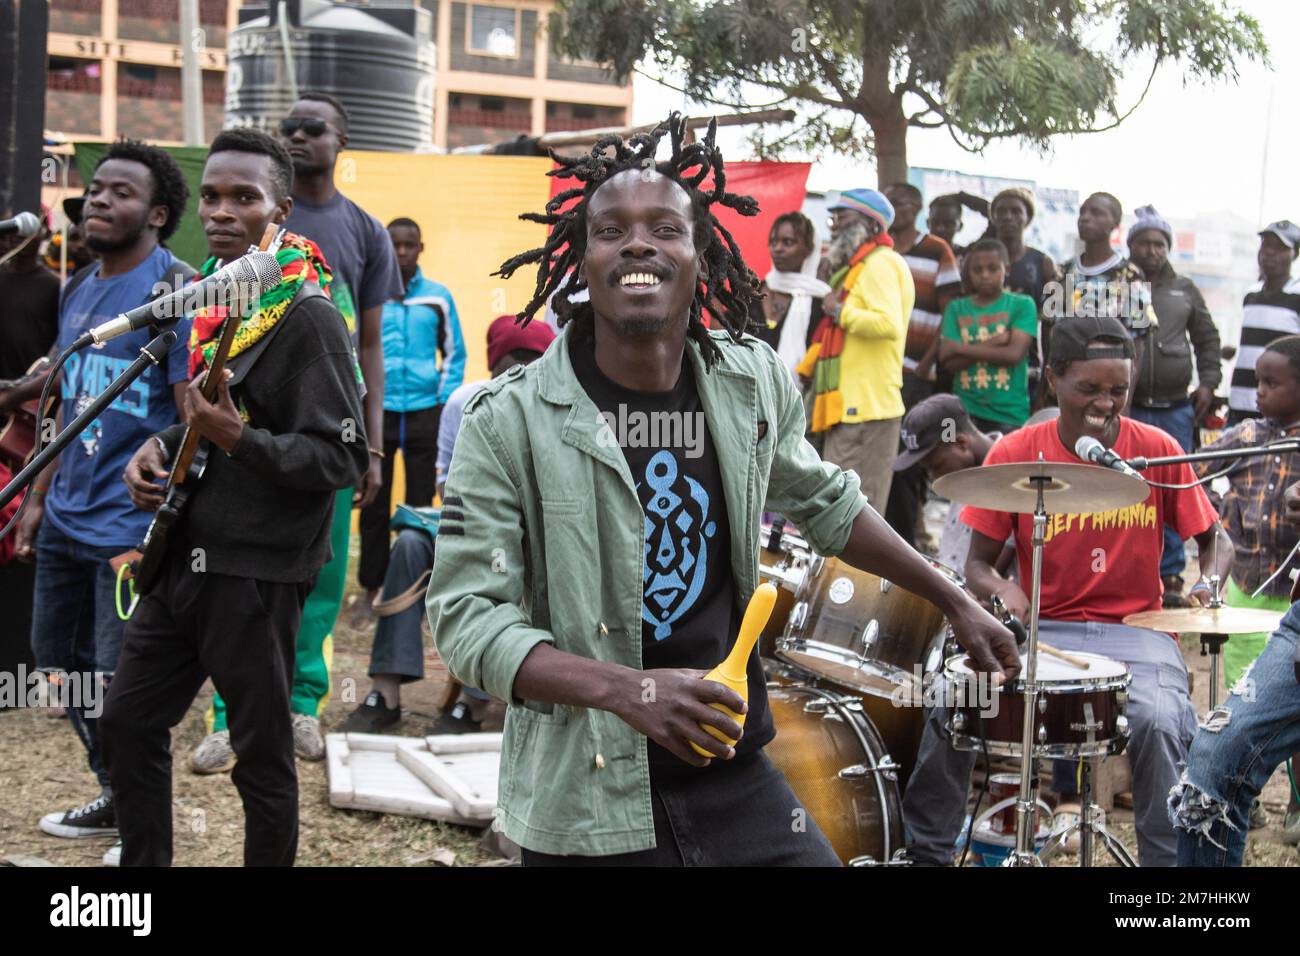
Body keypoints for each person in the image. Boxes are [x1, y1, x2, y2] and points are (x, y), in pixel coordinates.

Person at [426, 114, 1017, 866]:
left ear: (700, 254)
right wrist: (632, 692)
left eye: (664, 227)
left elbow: (827, 501)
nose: (638, 242)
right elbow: (469, 620)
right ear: (581, 259)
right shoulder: (506, 420)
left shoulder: (749, 383)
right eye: (611, 230)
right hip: (589, 791)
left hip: (732, 771)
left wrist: (955, 600)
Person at [102, 128, 369, 866]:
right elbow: (206, 416)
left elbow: (342, 455)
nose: (221, 211)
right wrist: (158, 444)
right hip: (181, 554)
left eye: (243, 198)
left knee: (260, 756)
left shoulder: (307, 315)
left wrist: (238, 443)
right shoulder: (216, 305)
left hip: (253, 572)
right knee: (127, 723)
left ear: (279, 211)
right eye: (212, 196)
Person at [903, 316, 1232, 867]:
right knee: (951, 698)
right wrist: (1005, 588)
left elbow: (1214, 540)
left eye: (1119, 390)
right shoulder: (1016, 452)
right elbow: (978, 566)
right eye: (1091, 389)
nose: (1107, 403)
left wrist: (1209, 579)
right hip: (1041, 633)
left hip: (1138, 633)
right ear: (1053, 380)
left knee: (1158, 720)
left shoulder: (1154, 447)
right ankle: (926, 854)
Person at [192, 91, 405, 767]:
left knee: (320, 574)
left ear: (344, 139)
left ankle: (303, 705)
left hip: (322, 429)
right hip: (238, 433)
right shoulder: (229, 232)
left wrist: (368, 444)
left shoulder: (365, 230)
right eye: (290, 128)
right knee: (229, 577)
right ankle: (228, 716)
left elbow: (370, 346)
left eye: (315, 128)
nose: (300, 136)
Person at [13, 141, 194, 842]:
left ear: (156, 213)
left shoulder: (171, 293)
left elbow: (188, 419)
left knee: (122, 691)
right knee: (59, 668)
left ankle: (140, 825)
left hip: (127, 531)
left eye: (120, 192)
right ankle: (116, 796)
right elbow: (61, 400)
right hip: (63, 518)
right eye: (97, 190)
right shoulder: (79, 287)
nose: (98, 200)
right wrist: (35, 497)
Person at [340, 315, 554, 734]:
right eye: (510, 365)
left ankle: (472, 706)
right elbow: (444, 482)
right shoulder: (464, 403)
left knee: (498, 564)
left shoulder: (559, 413)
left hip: (530, 546)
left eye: (532, 365)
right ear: (492, 366)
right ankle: (385, 693)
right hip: (467, 525)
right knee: (410, 547)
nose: (519, 376)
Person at [1195, 334, 1300, 841]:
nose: (1259, 392)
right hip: (1245, 587)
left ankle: (1297, 807)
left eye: (1272, 383)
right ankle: (1243, 797)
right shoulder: (1246, 435)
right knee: (1247, 695)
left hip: (1294, 589)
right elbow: (1193, 473)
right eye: (1257, 381)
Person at [357, 217, 465, 610]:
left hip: (424, 414)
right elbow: (356, 349)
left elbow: (456, 353)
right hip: (378, 414)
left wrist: (442, 399)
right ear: (385, 248)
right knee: (373, 500)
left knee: (421, 504)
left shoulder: (438, 297)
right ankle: (372, 586)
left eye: (409, 245)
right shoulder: (370, 296)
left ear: (421, 248)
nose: (402, 251)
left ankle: (418, 589)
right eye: (394, 244)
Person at [1127, 204, 1223, 604]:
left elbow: (1207, 339)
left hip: (1174, 409)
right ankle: (1131, 567)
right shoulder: (1117, 288)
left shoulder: (1184, 289)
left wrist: (1209, 383)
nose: (1152, 250)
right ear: (1131, 247)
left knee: (1171, 486)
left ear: (1167, 247)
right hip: (1127, 409)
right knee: (1129, 486)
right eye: (1144, 243)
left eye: (1159, 243)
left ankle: (1171, 578)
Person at [798, 188, 913, 514]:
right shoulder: (855, 268)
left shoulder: (881, 263)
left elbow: (888, 324)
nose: (833, 226)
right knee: (838, 513)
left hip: (866, 412)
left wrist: (839, 312)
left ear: (871, 226)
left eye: (842, 218)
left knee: (853, 516)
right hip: (848, 410)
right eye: (833, 218)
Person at [882, 182, 962, 549]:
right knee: (888, 457)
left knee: (909, 458)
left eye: (899, 201)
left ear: (915, 206)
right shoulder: (880, 250)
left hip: (916, 372)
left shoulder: (937, 250)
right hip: (882, 371)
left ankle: (905, 540)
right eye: (887, 201)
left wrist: (923, 366)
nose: (893, 207)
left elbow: (951, 315)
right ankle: (893, 535)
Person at [938, 238, 1038, 431]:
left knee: (1004, 462)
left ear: (1006, 269)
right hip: (963, 412)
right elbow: (948, 362)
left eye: (993, 269)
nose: (985, 275)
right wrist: (995, 342)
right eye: (977, 270)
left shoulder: (1022, 304)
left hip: (1010, 414)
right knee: (951, 450)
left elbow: (1013, 355)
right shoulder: (956, 308)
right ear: (968, 272)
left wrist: (958, 348)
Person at [1056, 193, 1156, 380]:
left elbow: (1138, 341)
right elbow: (1049, 331)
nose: (1085, 217)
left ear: (1114, 224)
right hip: (1065, 386)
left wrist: (1126, 397)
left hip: (1106, 387)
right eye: (1082, 212)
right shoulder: (1062, 272)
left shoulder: (1130, 275)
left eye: (1096, 213)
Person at [988, 187, 1058, 405]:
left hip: (1027, 368)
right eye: (1001, 211)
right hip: (981, 360)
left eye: (1016, 211)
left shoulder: (1043, 264)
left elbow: (1050, 327)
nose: (1008, 217)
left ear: (1028, 218)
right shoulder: (977, 259)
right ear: (993, 216)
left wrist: (1046, 385)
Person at [1227, 220, 1300, 426]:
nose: (1270, 252)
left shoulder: (1297, 296)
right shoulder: (1251, 294)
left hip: (1278, 415)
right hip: (1240, 408)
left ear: (1294, 254)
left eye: (1279, 248)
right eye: (1266, 245)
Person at [748, 211, 829, 375]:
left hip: (797, 397)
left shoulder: (821, 302)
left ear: (808, 249)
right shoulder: (750, 293)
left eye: (788, 242)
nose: (777, 249)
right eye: (773, 242)